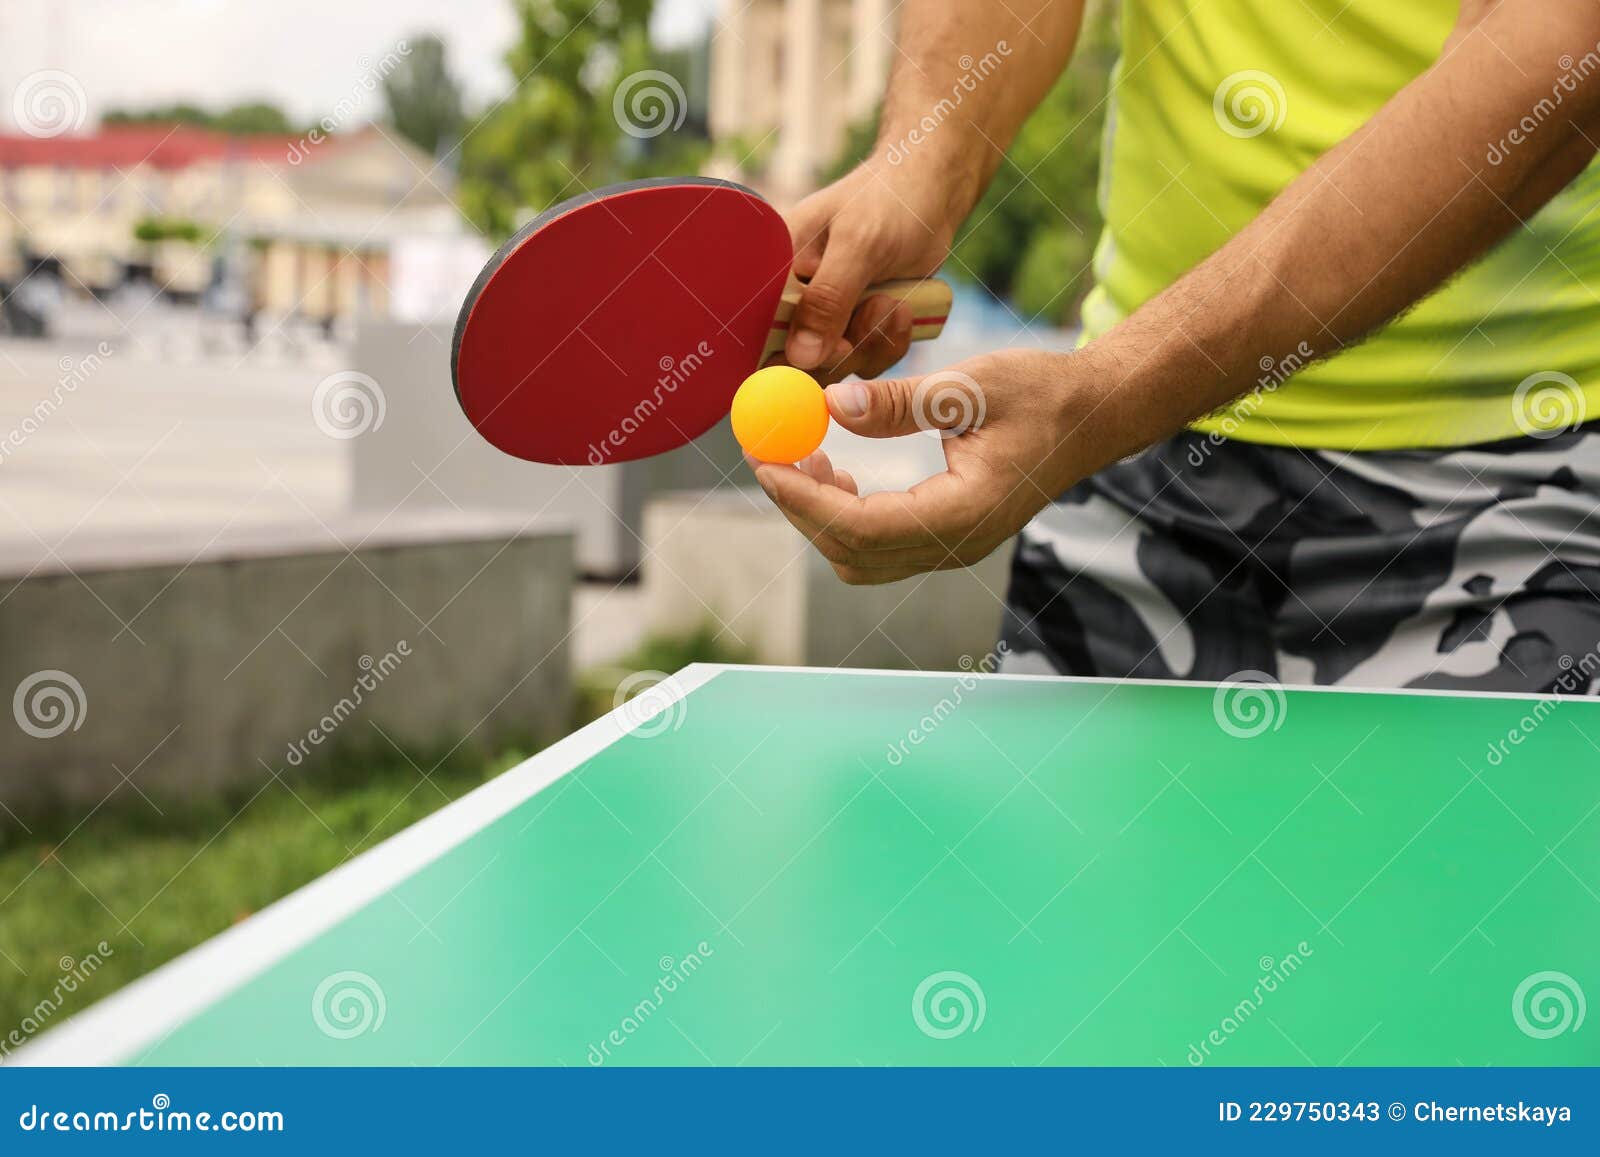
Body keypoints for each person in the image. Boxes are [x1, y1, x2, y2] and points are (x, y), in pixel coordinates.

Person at [750, 0, 1600, 694]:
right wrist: (924, 155)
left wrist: (1105, 395)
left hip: (1517, 499)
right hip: (1126, 472)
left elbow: (1560, 44)